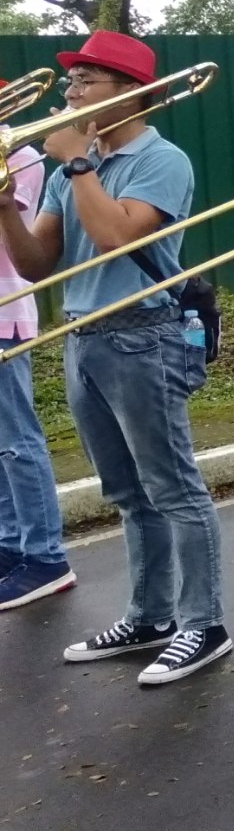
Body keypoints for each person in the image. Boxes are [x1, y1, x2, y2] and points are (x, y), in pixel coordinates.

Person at [0, 31, 228, 681]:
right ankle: (150, 616)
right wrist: (5, 205)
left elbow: (115, 235)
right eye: (71, 81)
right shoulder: (70, 170)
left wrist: (78, 163)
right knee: (127, 492)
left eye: (85, 81)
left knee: (173, 487)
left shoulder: (162, 159)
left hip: (145, 335)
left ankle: (204, 624)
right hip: (84, 335)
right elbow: (36, 263)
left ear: (130, 92)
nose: (70, 93)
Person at [0, 135, 75, 613]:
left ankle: (46, 557)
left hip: (4, 314)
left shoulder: (22, 156)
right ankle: (10, 547)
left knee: (17, 441)